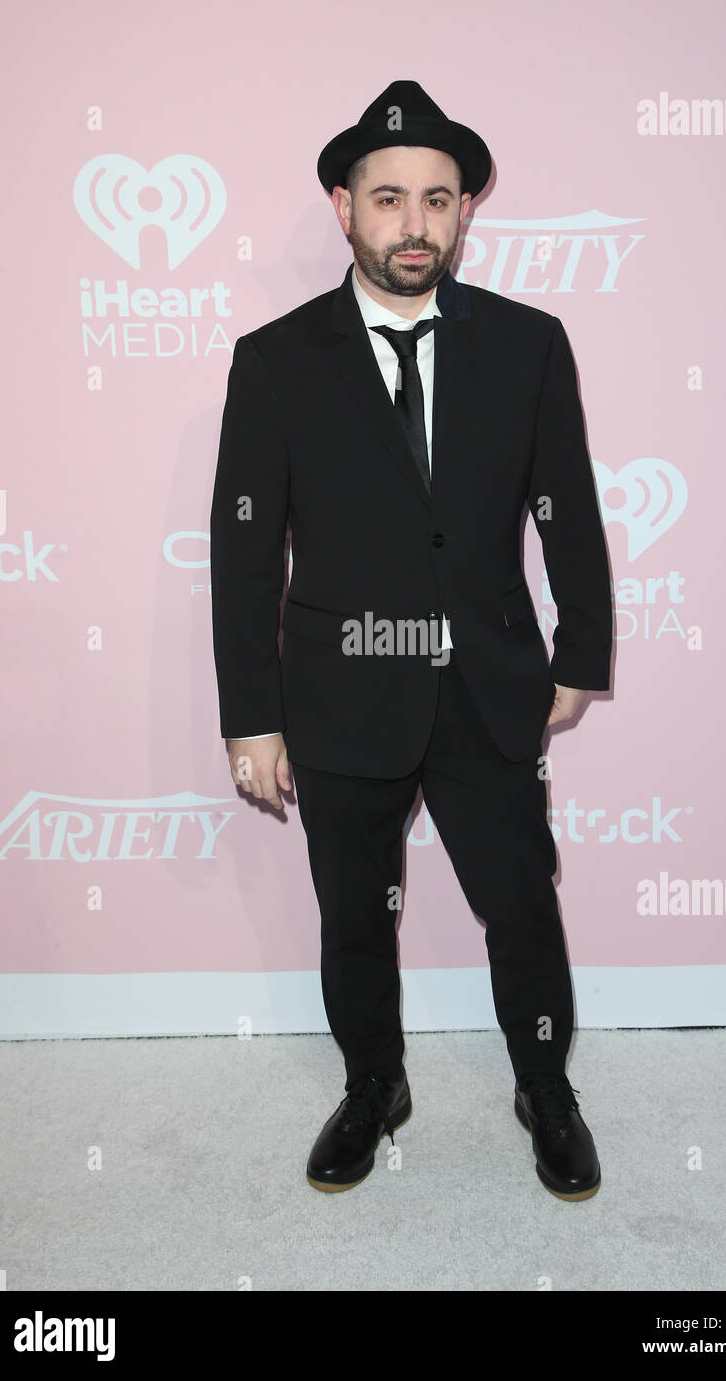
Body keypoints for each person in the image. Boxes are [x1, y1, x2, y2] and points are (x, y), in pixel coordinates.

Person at [209, 81, 612, 1201]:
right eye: (388, 198)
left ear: (463, 213)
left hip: (488, 688)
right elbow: (245, 552)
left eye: (438, 199)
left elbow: (566, 509)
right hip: (337, 696)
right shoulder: (275, 361)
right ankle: (371, 1082)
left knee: (520, 902)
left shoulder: (527, 346)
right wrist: (251, 715)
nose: (415, 222)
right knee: (353, 913)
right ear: (343, 208)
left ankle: (545, 1084)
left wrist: (580, 652)